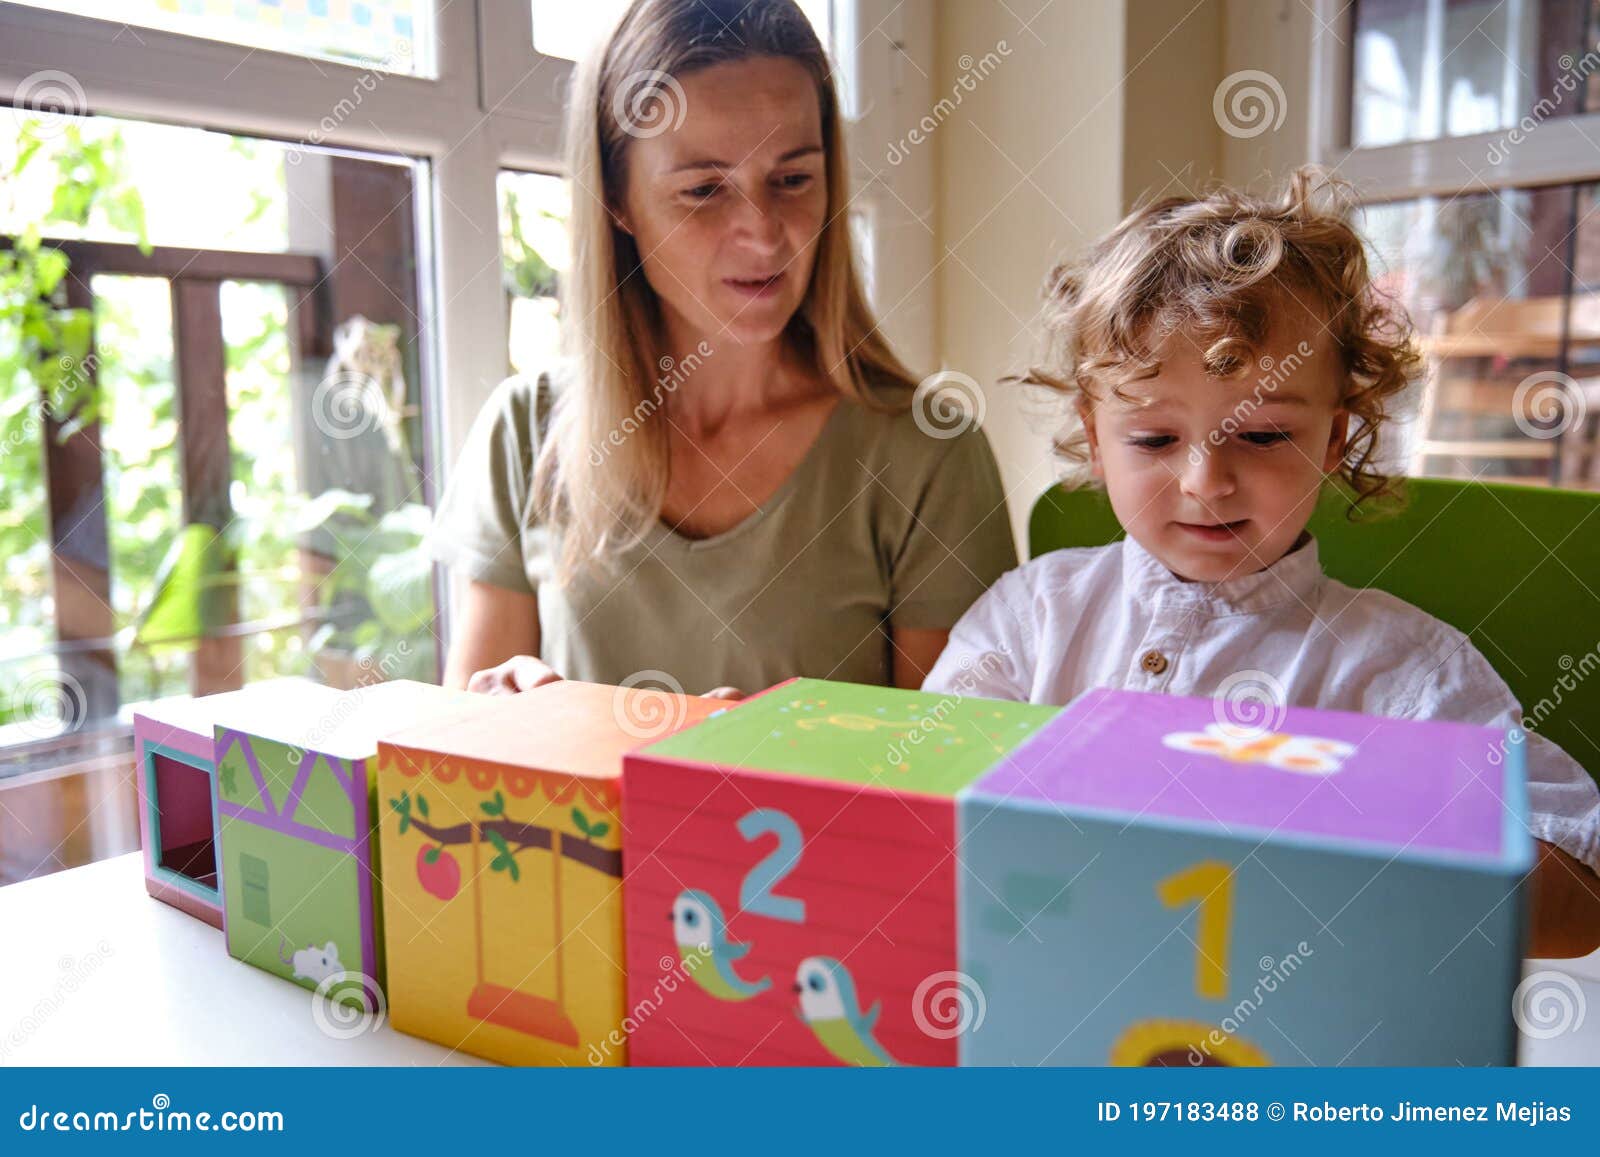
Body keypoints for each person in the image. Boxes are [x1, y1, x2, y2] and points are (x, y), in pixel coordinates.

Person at [924, 168, 1600, 957]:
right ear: (1097, 436)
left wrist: (1350, 836)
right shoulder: (1030, 616)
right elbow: (924, 804)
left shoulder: (1405, 671)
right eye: (1154, 438)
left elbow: (1580, 886)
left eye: (1263, 434)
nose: (1205, 482)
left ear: (1334, 439)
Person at [431, 0, 1014, 700]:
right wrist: (498, 712)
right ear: (616, 199)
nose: (764, 235)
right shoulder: (525, 431)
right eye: (705, 190)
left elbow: (952, 756)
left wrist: (773, 749)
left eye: (793, 179)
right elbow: (461, 748)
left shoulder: (930, 455)